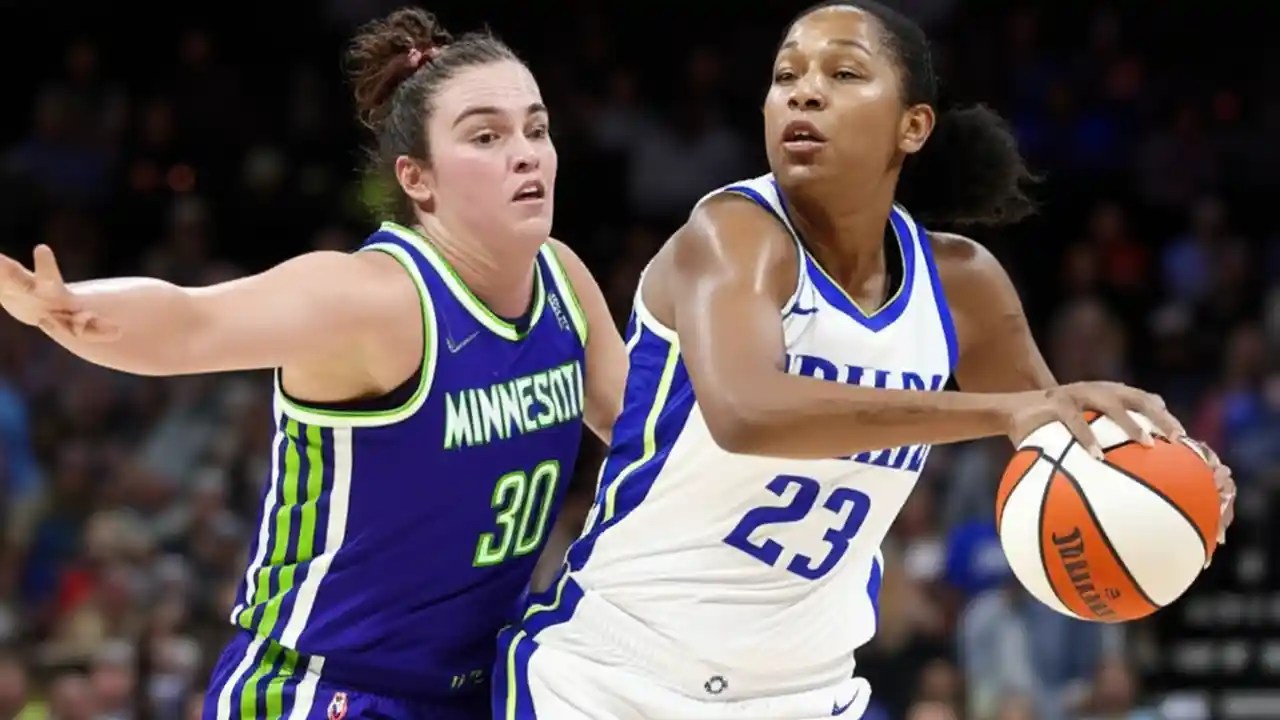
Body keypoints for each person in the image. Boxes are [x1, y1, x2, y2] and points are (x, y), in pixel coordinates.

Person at [494, 2, 1236, 718]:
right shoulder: (732, 234)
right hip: (614, 678)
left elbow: (1056, 450)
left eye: (843, 74)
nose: (804, 92)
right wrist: (1001, 409)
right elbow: (747, 412)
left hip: (807, 691)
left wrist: (1169, 485)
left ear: (911, 126)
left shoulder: (964, 284)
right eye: (785, 77)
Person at [0, 8, 625, 720]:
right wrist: (69, 305)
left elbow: (651, 442)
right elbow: (194, 319)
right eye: (487, 135)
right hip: (323, 690)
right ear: (417, 180)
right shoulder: (376, 298)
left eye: (536, 129)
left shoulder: (565, 284)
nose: (526, 153)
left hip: (477, 690)